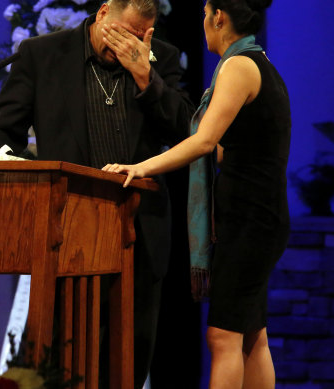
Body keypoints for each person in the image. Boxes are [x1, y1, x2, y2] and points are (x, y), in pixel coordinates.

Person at [0, 0, 194, 385]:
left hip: (138, 233)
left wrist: (146, 76)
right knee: (63, 363)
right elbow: (0, 130)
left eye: (142, 35)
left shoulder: (161, 59)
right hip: (65, 233)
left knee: (127, 365)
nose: (131, 44)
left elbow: (186, 135)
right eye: (125, 32)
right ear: (103, 13)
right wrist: (3, 167)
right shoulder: (43, 54)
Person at [103, 0, 290, 387]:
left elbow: (205, 143)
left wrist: (140, 166)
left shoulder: (240, 66)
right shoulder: (254, 62)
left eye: (205, 13)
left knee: (223, 336)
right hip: (256, 218)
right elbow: (226, 148)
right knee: (251, 335)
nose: (203, 22)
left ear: (218, 16)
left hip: (250, 222)